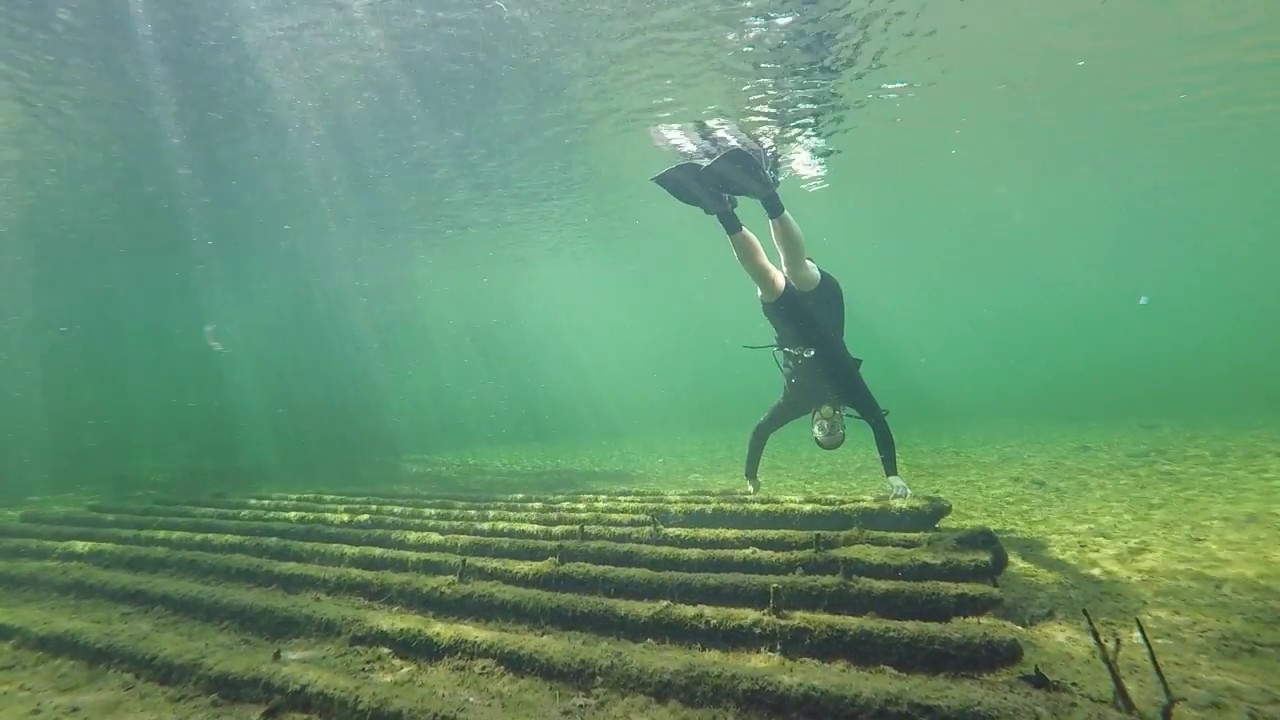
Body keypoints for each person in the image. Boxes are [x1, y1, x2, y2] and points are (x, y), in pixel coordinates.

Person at [650, 139, 911, 499]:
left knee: (767, 279)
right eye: (835, 428)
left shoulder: (796, 403)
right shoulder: (851, 393)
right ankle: (766, 195)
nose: (829, 422)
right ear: (844, 425)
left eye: (824, 430)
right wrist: (892, 476)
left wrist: (750, 478)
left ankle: (722, 210)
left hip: (787, 323)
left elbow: (760, 432)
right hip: (825, 306)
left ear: (813, 427)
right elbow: (879, 425)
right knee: (795, 269)